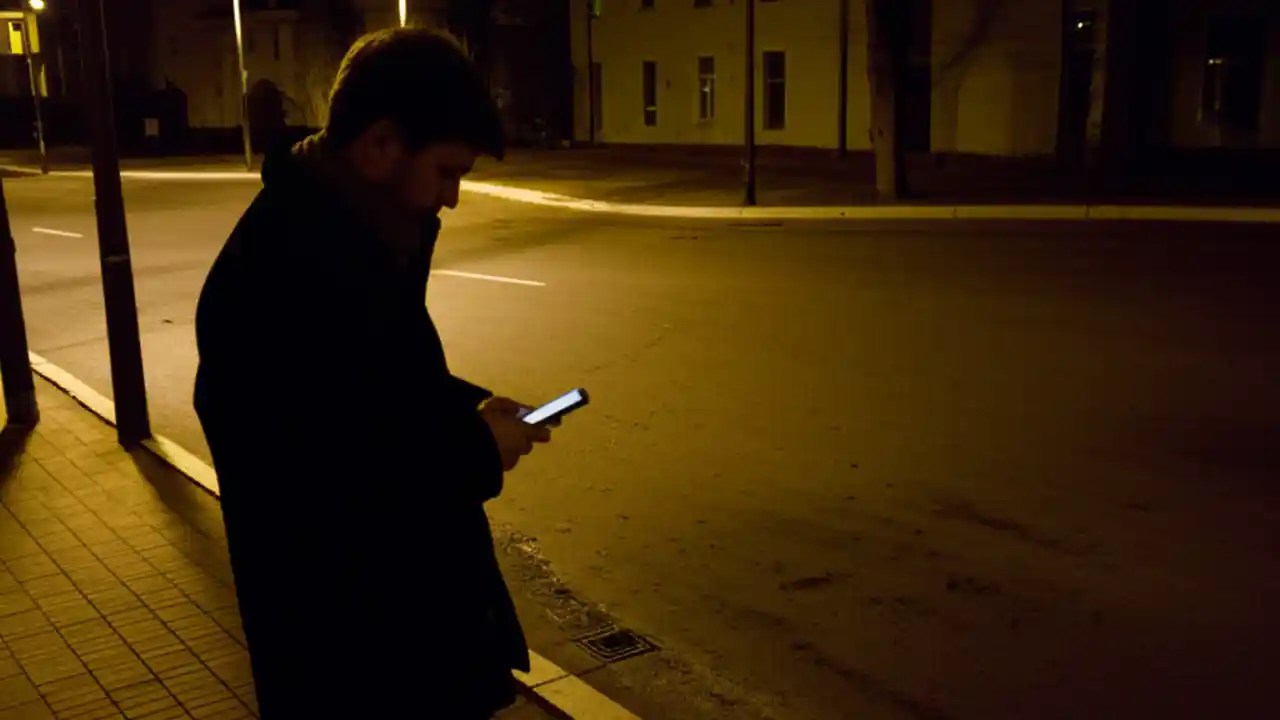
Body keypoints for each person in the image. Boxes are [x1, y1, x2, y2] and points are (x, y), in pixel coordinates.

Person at [193, 28, 551, 719]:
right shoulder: (283, 273)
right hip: (360, 664)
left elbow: (375, 386)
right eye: (447, 171)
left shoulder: (352, 237)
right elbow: (329, 479)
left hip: (398, 644)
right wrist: (479, 449)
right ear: (382, 145)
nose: (452, 198)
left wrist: (471, 407)